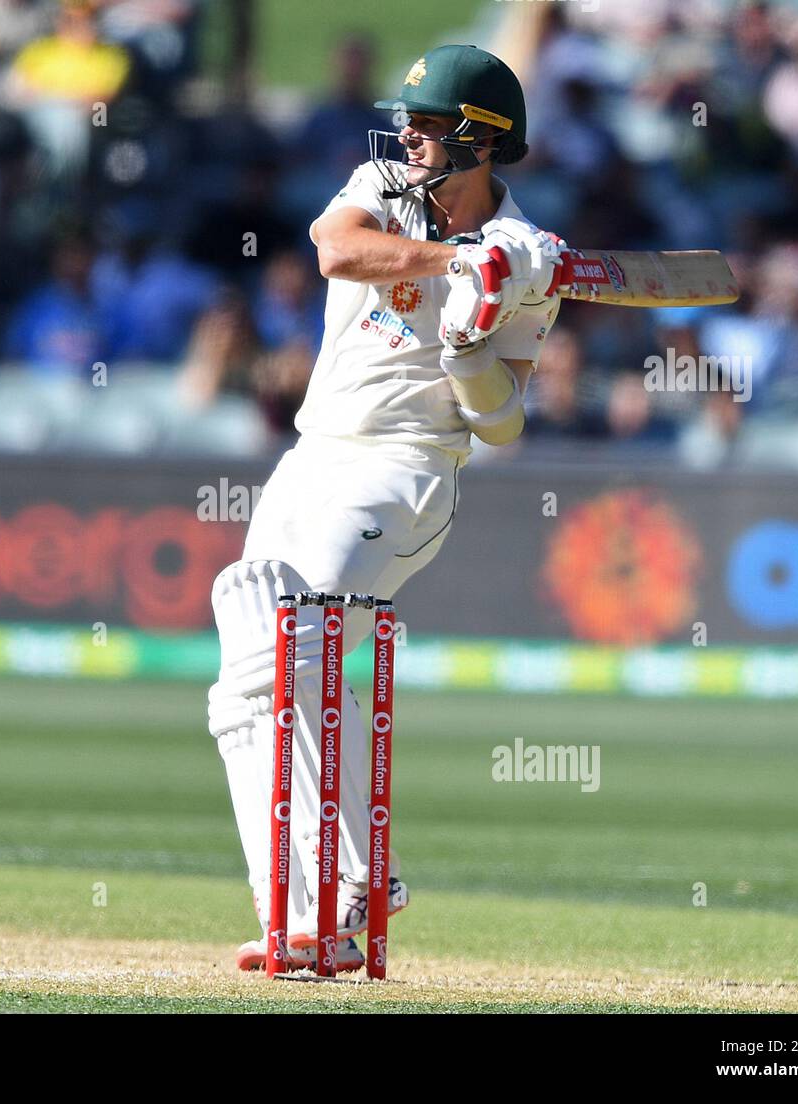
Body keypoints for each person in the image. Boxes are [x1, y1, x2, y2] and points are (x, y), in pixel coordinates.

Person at [206, 45, 570, 973]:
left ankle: (349, 894)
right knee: (246, 665)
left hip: (405, 468)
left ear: (481, 141)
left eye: (429, 123)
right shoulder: (386, 184)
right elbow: (335, 249)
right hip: (313, 450)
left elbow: (503, 426)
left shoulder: (529, 264)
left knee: (302, 636)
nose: (408, 135)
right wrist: (464, 262)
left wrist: (468, 340)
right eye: (406, 119)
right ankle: (303, 907)